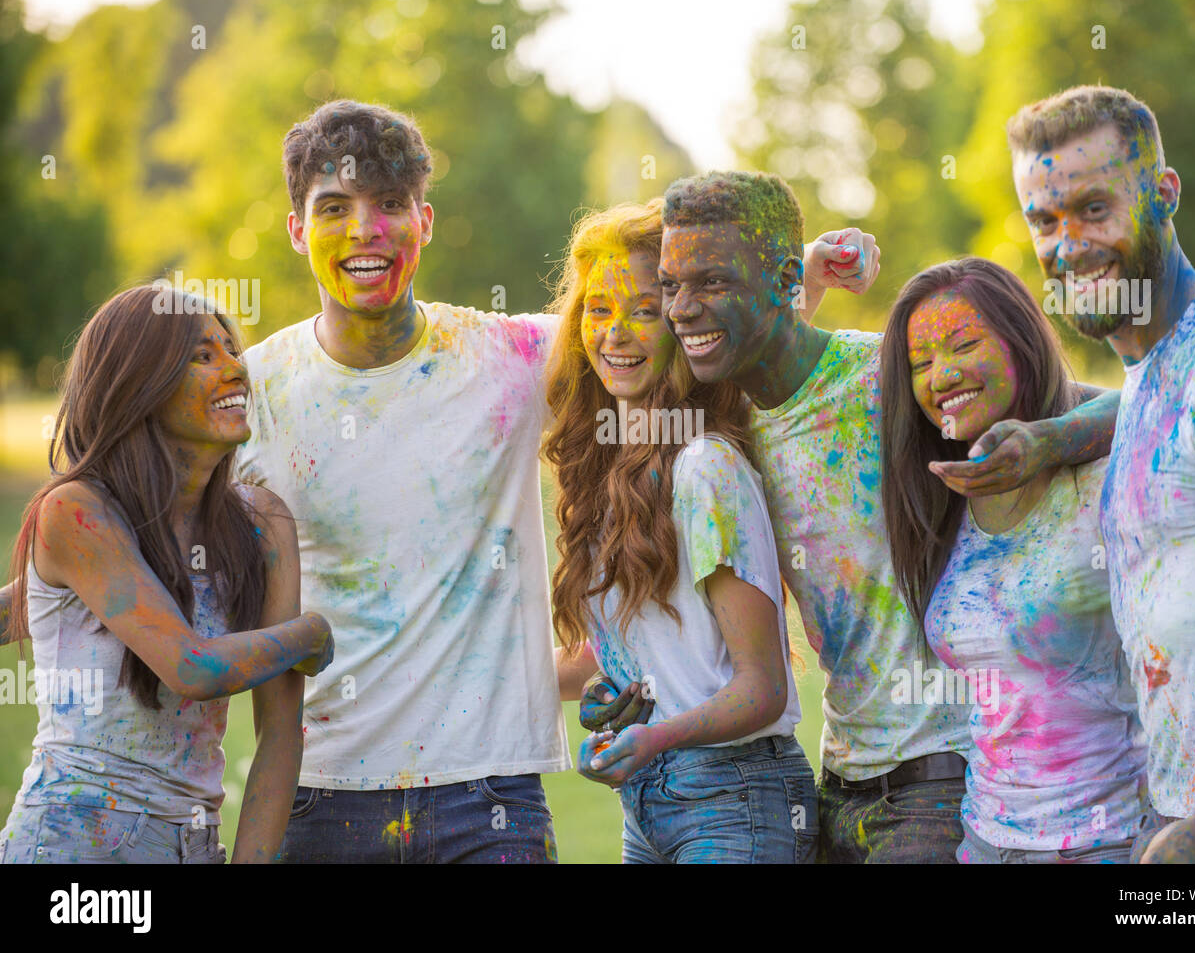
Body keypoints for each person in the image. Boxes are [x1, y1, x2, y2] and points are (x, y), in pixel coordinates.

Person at [239, 99, 867, 863]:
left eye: (390, 205)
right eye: (335, 207)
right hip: (325, 790)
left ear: (424, 221)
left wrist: (796, 281)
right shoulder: (251, 392)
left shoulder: (499, 356)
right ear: (298, 228)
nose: (367, 230)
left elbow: (677, 325)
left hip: (491, 798)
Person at [656, 169, 1122, 862]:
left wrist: (1043, 443)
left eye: (712, 284)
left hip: (940, 776)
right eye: (671, 286)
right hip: (837, 780)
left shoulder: (891, 378)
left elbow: (1124, 403)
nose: (682, 309)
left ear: (782, 281)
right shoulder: (728, 428)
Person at [1008, 85, 1195, 863]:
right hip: (1179, 811)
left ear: (1164, 195)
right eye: (1044, 219)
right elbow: (1166, 418)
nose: (1068, 246)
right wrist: (1052, 438)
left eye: (1095, 209)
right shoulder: (1158, 365)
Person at [0, 284, 333, 864]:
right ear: (140, 387)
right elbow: (192, 667)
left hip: (193, 844)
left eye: (232, 350)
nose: (236, 369)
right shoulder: (77, 512)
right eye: (204, 357)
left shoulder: (261, 524)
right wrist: (308, 634)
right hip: (72, 845)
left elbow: (280, 735)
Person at [546, 200, 817, 863]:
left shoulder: (704, 469)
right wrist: (610, 686)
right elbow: (650, 653)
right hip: (650, 803)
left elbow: (763, 688)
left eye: (642, 310)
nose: (616, 333)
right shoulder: (606, 469)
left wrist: (656, 736)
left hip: (738, 800)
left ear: (680, 323)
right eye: (598, 310)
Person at [880, 257, 1146, 863]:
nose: (941, 375)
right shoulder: (945, 501)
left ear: (1022, 344)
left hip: (1107, 838)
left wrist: (1052, 439)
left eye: (964, 345)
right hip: (986, 840)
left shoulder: (1104, 481)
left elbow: (1170, 394)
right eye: (921, 364)